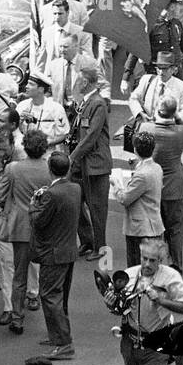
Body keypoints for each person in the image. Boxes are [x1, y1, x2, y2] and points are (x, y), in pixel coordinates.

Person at [0, 127, 51, 336]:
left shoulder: (13, 169)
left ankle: (17, 317)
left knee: (19, 274)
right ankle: (50, 318)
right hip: (44, 227)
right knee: (48, 274)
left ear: (24, 146)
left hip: (21, 226)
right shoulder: (50, 169)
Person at [117, 237, 183, 365]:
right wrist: (110, 302)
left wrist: (161, 300)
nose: (147, 264)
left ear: (160, 261)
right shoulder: (129, 276)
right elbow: (117, 308)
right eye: (144, 259)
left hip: (157, 348)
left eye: (152, 260)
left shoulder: (171, 277)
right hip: (130, 345)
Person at [29, 149, 80, 361]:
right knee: (60, 297)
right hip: (68, 249)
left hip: (53, 253)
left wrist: (34, 203)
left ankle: (63, 343)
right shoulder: (75, 188)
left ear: (50, 170)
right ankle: (58, 336)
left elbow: (39, 221)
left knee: (50, 296)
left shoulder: (50, 194)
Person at [139, 95, 183, 273]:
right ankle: (176, 266)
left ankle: (155, 266)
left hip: (152, 189)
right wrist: (176, 115)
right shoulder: (181, 132)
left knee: (154, 231)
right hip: (175, 188)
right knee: (176, 231)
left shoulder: (146, 128)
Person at [68, 57, 112, 261]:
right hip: (82, 164)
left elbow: (91, 137)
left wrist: (72, 157)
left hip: (95, 164)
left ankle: (100, 246)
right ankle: (87, 239)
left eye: (78, 81)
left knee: (97, 207)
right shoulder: (84, 103)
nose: (76, 83)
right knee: (76, 204)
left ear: (84, 83)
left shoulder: (98, 104)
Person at [112, 131, 165, 267]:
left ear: (135, 149)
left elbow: (124, 199)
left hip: (140, 230)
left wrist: (116, 184)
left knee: (136, 268)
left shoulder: (141, 175)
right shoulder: (156, 168)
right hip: (153, 225)